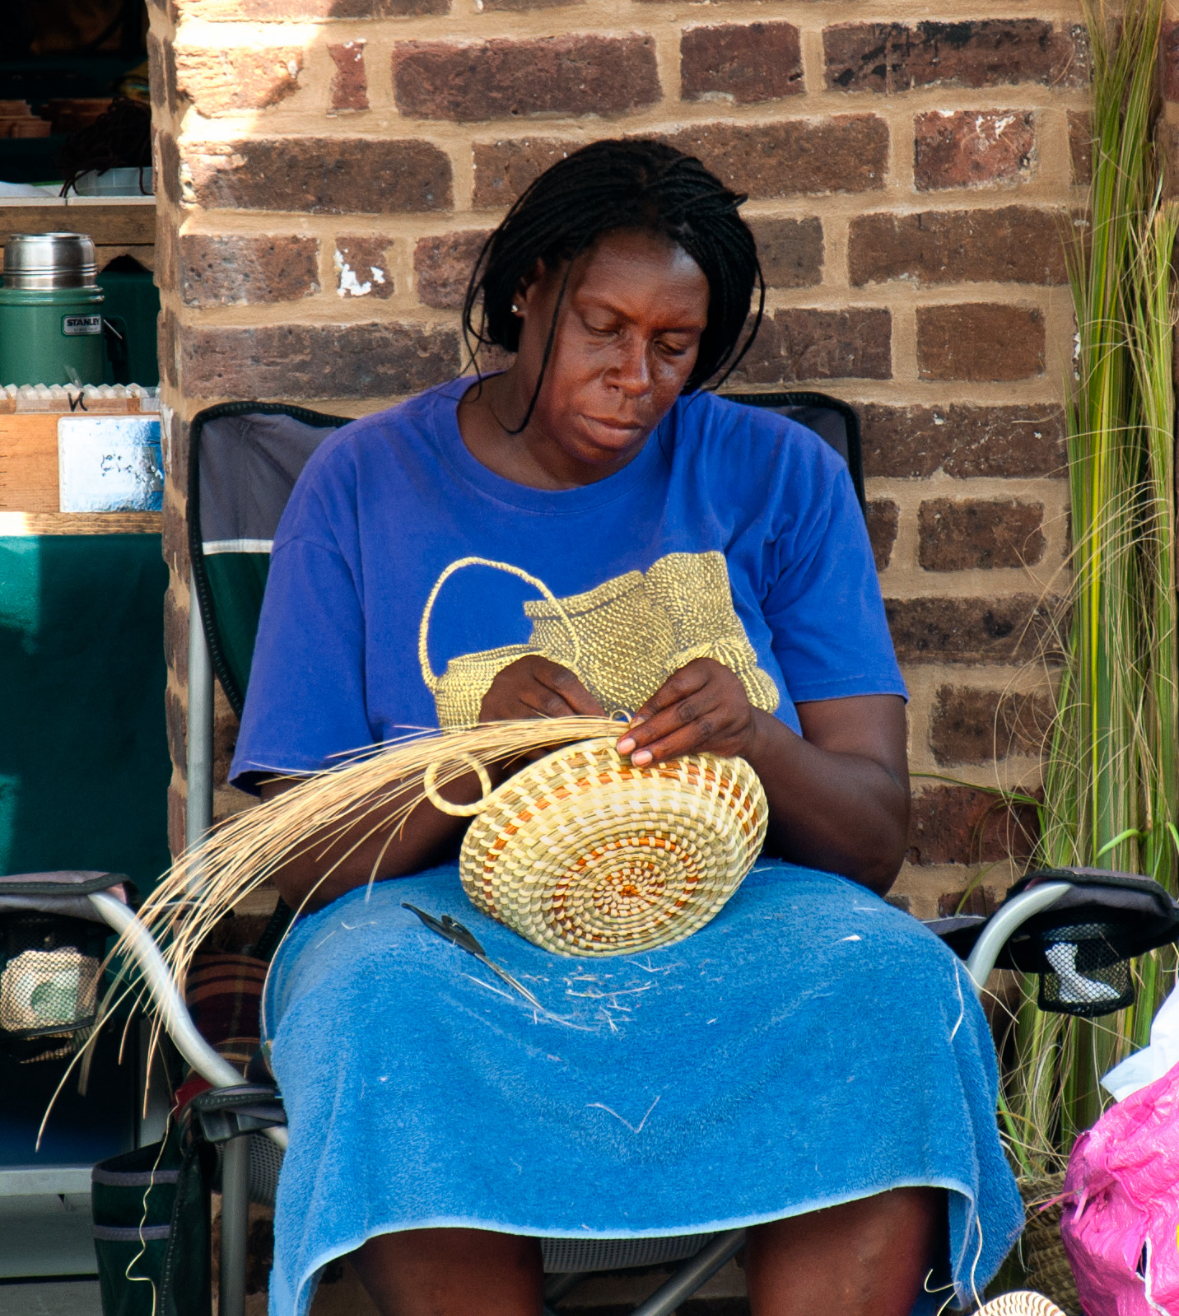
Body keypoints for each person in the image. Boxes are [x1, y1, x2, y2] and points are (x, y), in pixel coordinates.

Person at [230, 139, 1023, 1316]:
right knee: (375, 1002)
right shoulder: (361, 483)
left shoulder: (780, 476)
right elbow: (298, 856)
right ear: (529, 291)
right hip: (441, 941)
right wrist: (471, 757)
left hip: (739, 916)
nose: (635, 376)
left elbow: (870, 838)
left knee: (893, 983)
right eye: (603, 327)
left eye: (674, 345)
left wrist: (756, 738)